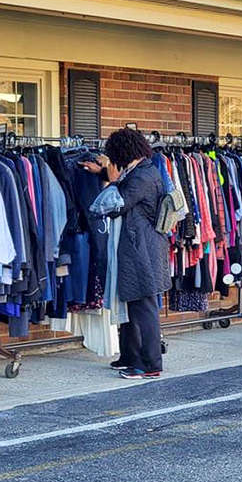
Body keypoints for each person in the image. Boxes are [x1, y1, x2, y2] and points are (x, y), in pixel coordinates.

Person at [82, 129, 170, 379]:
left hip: (141, 250)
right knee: (132, 303)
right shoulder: (141, 170)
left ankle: (150, 364)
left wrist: (109, 180)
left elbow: (112, 204)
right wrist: (104, 174)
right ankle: (130, 357)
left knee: (144, 306)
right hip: (139, 248)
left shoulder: (142, 176)